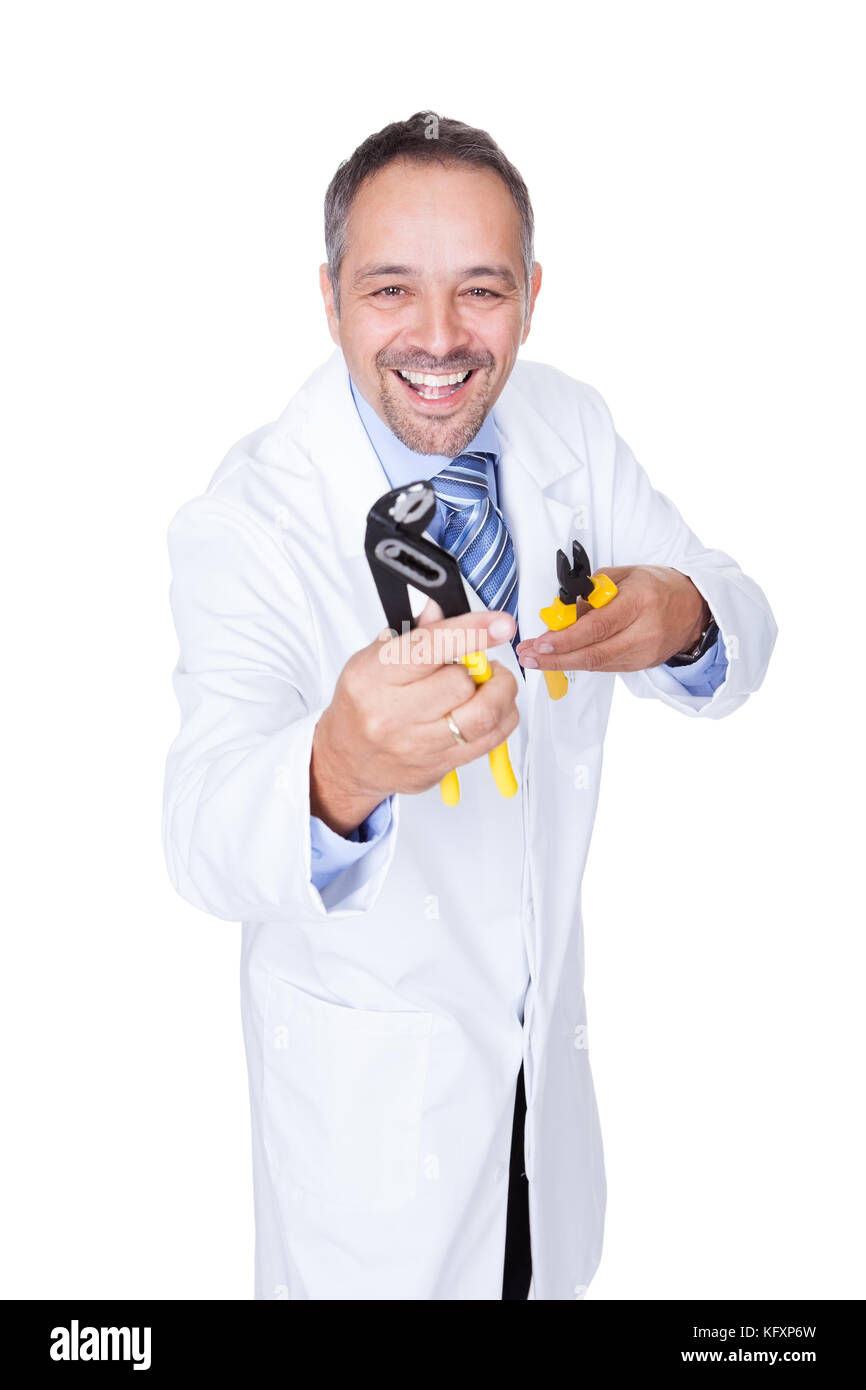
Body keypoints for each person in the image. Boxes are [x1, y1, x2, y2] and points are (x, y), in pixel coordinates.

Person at [162, 112, 777, 1301]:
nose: (438, 339)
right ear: (330, 297)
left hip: (546, 1109)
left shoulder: (567, 428)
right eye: (390, 289)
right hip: (370, 1143)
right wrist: (338, 767)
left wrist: (680, 617)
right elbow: (195, 832)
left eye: (480, 291)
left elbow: (741, 629)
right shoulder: (245, 521)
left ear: (533, 294)